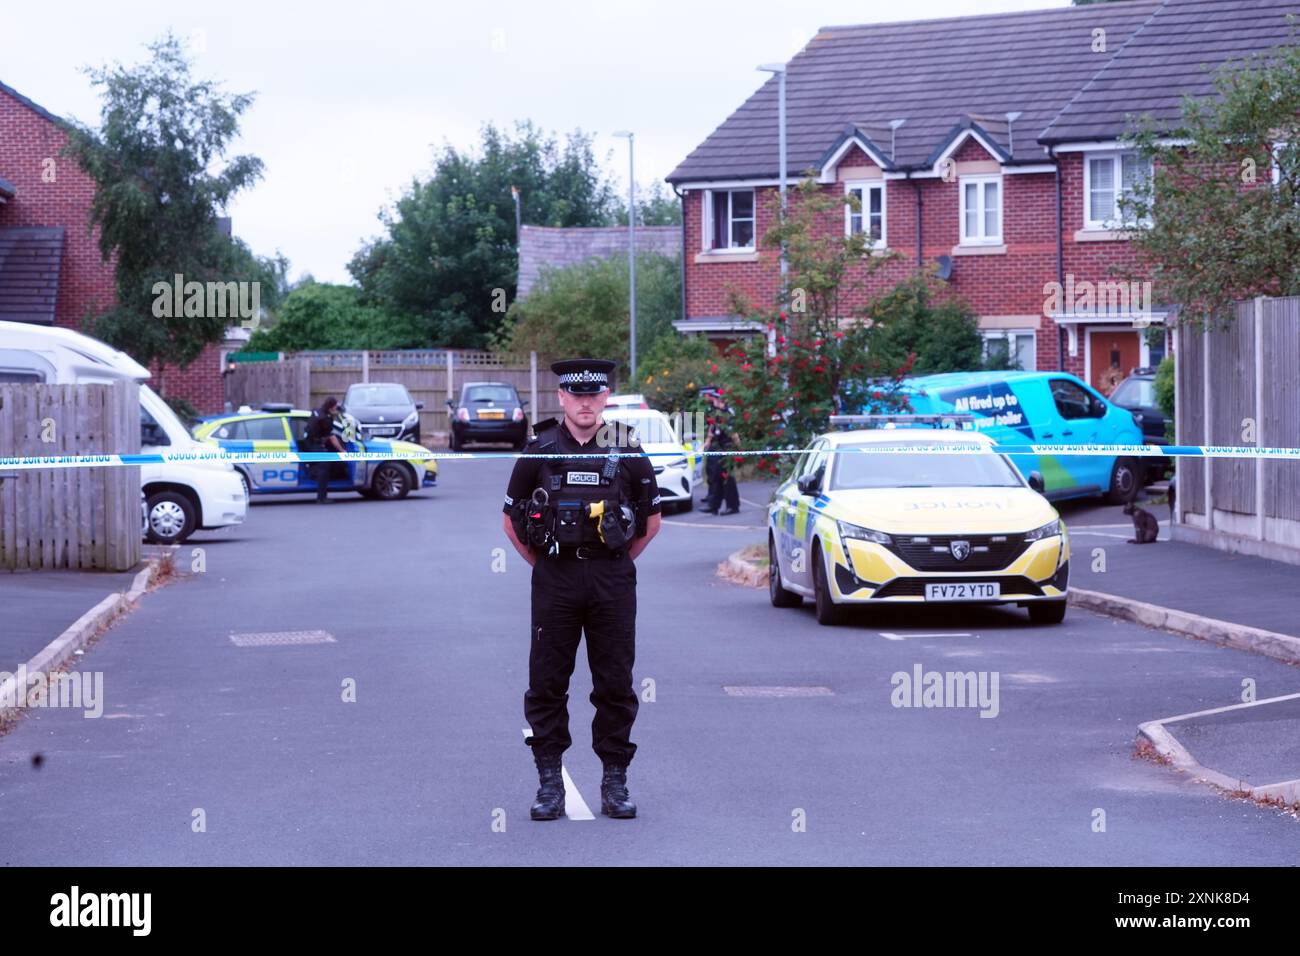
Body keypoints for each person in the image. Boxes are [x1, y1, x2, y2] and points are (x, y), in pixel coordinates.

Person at [501, 358, 662, 821]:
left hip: (612, 579)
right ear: (562, 398)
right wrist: (548, 565)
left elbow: (651, 524)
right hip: (556, 579)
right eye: (577, 394)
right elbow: (510, 521)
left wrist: (611, 564)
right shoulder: (539, 447)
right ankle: (549, 781)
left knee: (615, 682)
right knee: (547, 682)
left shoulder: (627, 448)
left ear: (606, 397)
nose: (586, 402)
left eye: (594, 394)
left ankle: (615, 781)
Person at [700, 388, 739, 515]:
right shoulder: (718, 413)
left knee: (727, 478)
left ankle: (732, 506)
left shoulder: (727, 414)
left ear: (720, 400)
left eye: (715, 399)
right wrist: (707, 441)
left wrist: (739, 447)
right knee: (715, 477)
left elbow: (734, 433)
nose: (713, 401)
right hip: (718, 448)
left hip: (726, 448)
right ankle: (713, 505)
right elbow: (712, 428)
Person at [304, 397, 345, 503]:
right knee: (325, 465)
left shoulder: (316, 411)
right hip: (314, 444)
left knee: (327, 457)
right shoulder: (325, 419)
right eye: (335, 407)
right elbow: (332, 437)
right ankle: (321, 498)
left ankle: (314, 472)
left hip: (308, 441)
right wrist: (342, 451)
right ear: (331, 407)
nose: (336, 408)